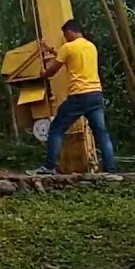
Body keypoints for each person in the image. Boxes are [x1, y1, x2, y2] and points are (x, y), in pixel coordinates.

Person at [29, 19, 119, 176]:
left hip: (79, 95)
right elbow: (75, 61)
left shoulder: (68, 47)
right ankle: (110, 171)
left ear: (70, 32)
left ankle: (49, 168)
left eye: (65, 34)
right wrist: (54, 52)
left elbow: (54, 69)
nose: (65, 37)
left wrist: (43, 74)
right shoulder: (91, 47)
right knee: (102, 134)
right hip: (96, 95)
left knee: (56, 129)